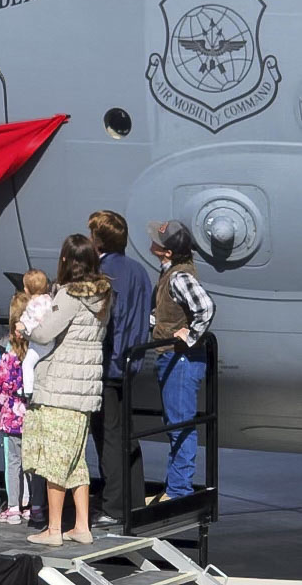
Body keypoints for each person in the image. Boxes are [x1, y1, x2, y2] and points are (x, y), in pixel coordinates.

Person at [22, 234, 111, 546]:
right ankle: (82, 527)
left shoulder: (70, 296)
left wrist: (28, 326)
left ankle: (54, 529)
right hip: (84, 391)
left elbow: (46, 333)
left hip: (60, 387)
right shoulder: (103, 295)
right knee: (76, 461)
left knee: (54, 461)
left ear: (65, 262)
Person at [87, 210, 152, 528]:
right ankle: (134, 497)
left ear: (97, 240)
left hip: (107, 363)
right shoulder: (139, 271)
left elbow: (107, 321)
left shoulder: (102, 273)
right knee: (126, 433)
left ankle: (113, 503)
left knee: (107, 434)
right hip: (131, 363)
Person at [147, 220, 215, 500]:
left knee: (180, 424)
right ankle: (174, 487)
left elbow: (206, 307)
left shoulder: (179, 277)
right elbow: (167, 313)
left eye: (158, 241)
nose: (152, 241)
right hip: (172, 357)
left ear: (168, 253)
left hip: (181, 359)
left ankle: (179, 490)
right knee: (175, 421)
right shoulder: (170, 273)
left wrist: (190, 336)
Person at [0, 291, 30, 524]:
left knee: (12, 462)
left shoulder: (9, 354)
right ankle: (31, 505)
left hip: (10, 415)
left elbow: (0, 381)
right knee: (31, 463)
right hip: (31, 412)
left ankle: (14, 506)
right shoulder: (37, 349)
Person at [19, 269, 54, 399]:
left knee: (27, 363)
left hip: (40, 342)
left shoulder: (36, 304)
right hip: (46, 341)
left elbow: (38, 321)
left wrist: (24, 327)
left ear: (27, 289)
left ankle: (28, 390)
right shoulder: (48, 300)